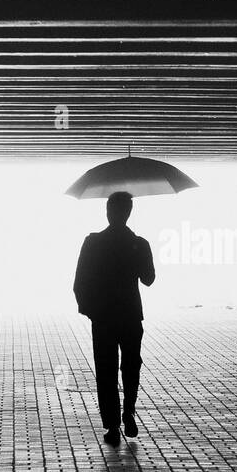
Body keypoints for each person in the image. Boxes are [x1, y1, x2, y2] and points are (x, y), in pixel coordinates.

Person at [73, 191, 155, 446]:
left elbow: (79, 282)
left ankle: (112, 426)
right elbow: (149, 279)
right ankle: (128, 411)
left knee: (106, 370)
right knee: (131, 366)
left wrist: (89, 309)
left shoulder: (93, 242)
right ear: (129, 213)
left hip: (104, 317)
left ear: (107, 212)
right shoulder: (140, 243)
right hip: (131, 315)